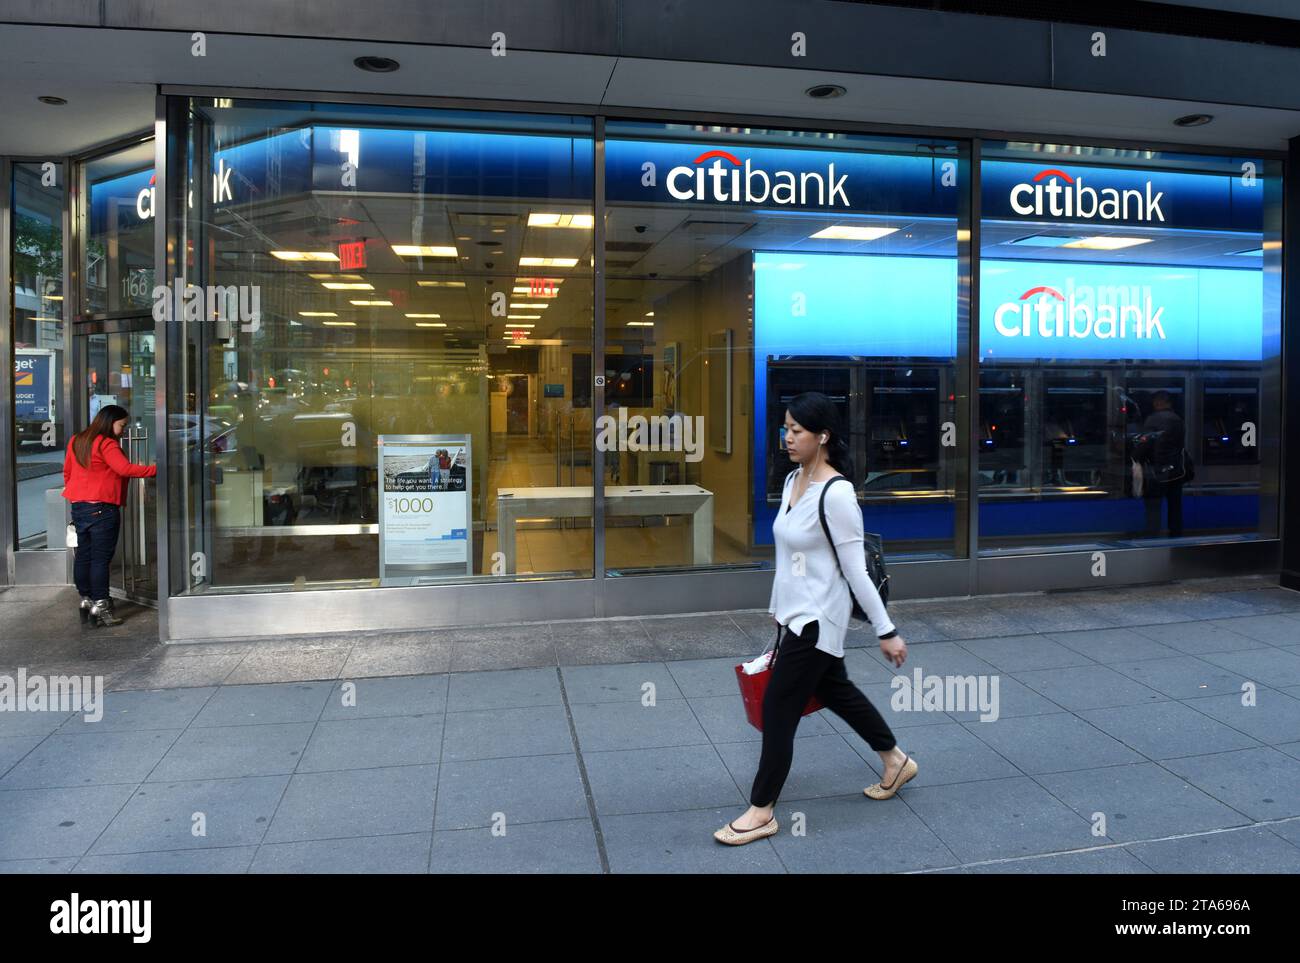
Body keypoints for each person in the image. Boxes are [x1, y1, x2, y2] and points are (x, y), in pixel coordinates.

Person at [715, 392, 914, 846]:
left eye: (797, 431)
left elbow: (855, 571)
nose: (787, 437)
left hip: (820, 620)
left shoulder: (837, 494)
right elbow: (789, 556)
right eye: (785, 429)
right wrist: (778, 607)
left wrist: (887, 631)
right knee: (837, 691)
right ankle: (895, 760)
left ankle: (761, 811)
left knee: (778, 711)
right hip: (796, 616)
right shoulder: (792, 481)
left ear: (822, 436)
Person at [63, 404, 157, 627]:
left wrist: (78, 494)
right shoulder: (106, 443)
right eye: (122, 425)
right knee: (100, 559)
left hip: (79, 506)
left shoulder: (77, 440)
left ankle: (86, 599)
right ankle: (101, 604)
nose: (124, 430)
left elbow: (67, 471)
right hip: (102, 508)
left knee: (83, 555)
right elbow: (125, 469)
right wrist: (156, 469)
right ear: (110, 422)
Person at [1142, 391, 1186, 537]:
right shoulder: (1178, 419)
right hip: (1176, 469)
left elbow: (1145, 444)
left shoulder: (1152, 419)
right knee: (1175, 506)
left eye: (1156, 402)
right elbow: (1180, 444)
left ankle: (1152, 536)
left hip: (1157, 470)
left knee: (1153, 505)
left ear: (1159, 402)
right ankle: (1176, 536)